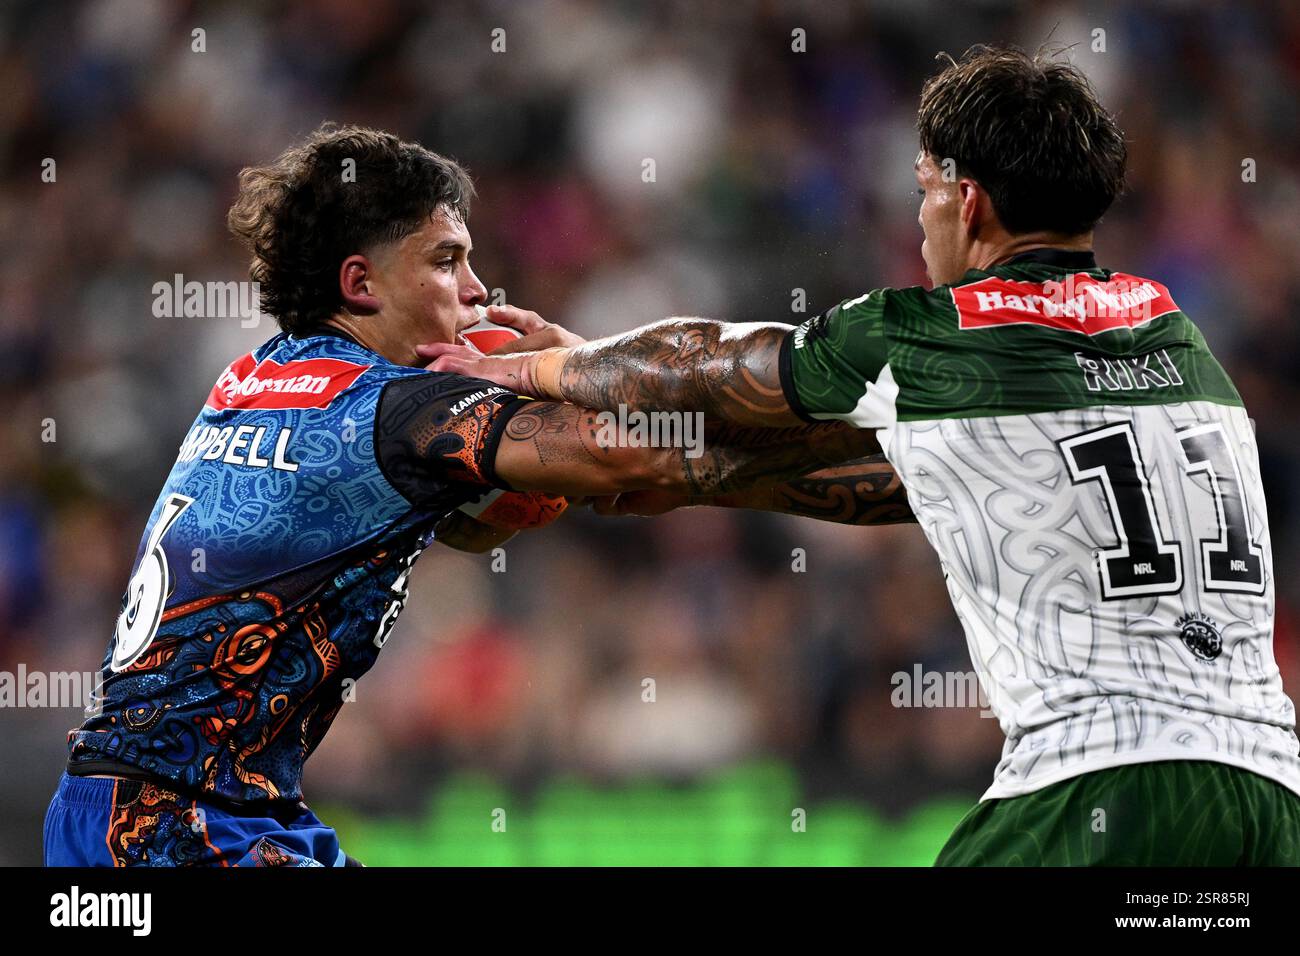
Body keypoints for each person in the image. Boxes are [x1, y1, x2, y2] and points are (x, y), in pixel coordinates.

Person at [424, 46, 1300, 865]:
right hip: (1268, 795)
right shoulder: (1175, 333)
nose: (919, 222)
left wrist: (539, 365)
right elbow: (931, 485)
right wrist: (690, 476)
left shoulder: (936, 333)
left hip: (1095, 788)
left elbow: (703, 364)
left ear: (968, 202)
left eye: (923, 192)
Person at [44, 123, 878, 867]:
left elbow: (468, 531)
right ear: (362, 283)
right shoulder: (399, 409)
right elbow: (635, 457)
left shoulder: (251, 378)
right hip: (171, 827)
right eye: (447, 261)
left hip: (164, 805)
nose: (480, 290)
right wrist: (574, 365)